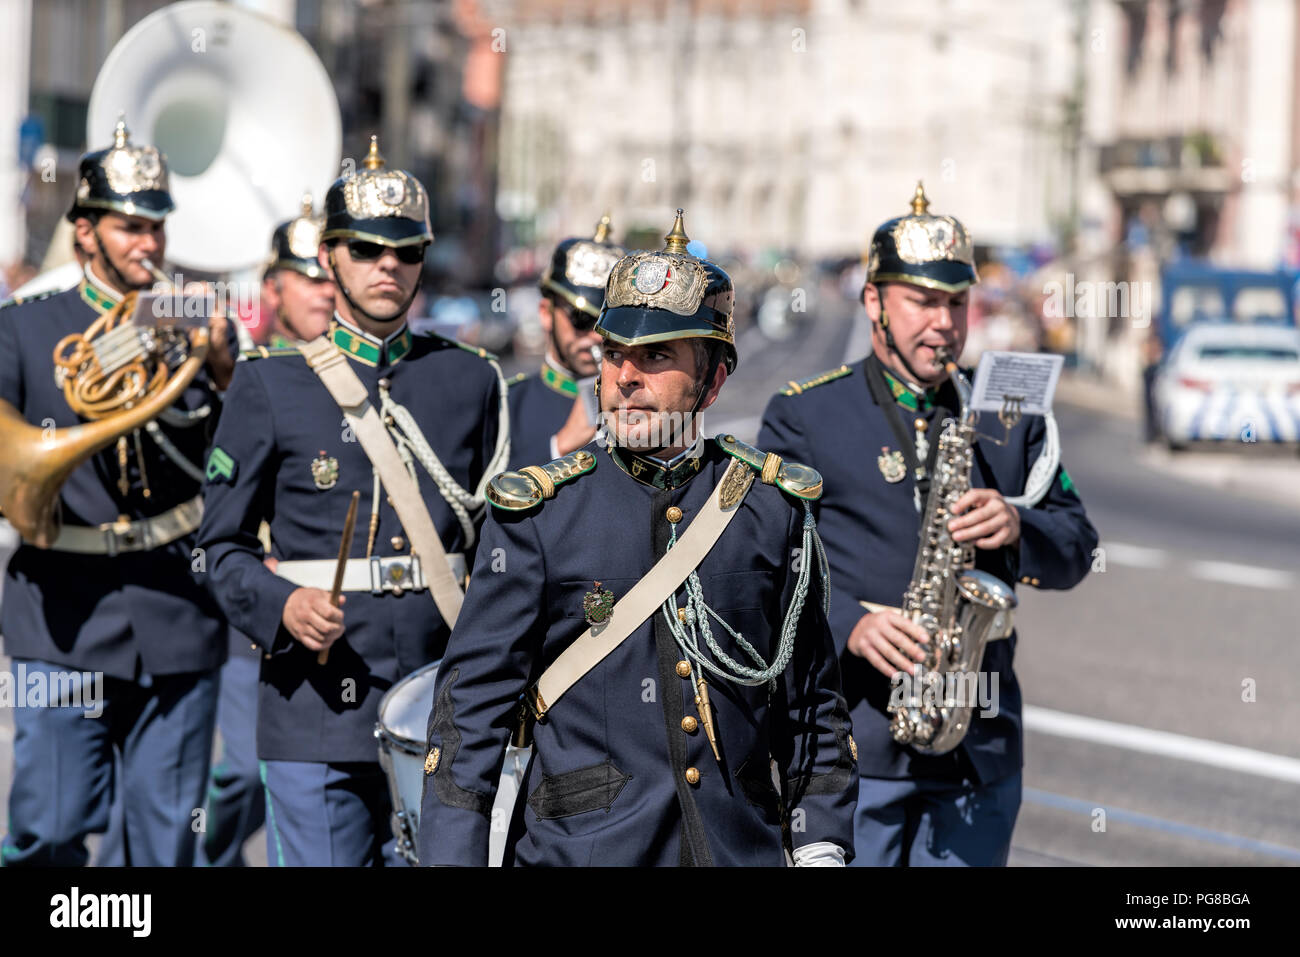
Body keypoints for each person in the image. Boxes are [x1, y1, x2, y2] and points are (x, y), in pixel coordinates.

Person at [419, 211, 856, 867]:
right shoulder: (542, 513)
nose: (625, 377)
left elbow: (811, 711)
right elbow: (467, 720)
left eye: (656, 356)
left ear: (712, 379)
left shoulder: (768, 509)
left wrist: (820, 848)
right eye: (614, 355)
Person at [759, 184, 1098, 867]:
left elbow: (1077, 547)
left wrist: (1016, 526)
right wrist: (849, 620)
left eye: (955, 302)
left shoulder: (1007, 408)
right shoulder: (806, 416)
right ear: (875, 303)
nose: (943, 323)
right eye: (921, 300)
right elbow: (766, 564)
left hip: (980, 751)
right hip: (853, 744)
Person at [197, 136, 509, 866]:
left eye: (404, 249)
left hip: (442, 706)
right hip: (313, 707)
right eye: (366, 249)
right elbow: (217, 548)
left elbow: (501, 549)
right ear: (330, 257)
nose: (387, 265)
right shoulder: (270, 382)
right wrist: (281, 605)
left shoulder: (469, 380)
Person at [0, 118, 233, 866]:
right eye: (130, 226)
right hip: (61, 613)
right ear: (84, 231)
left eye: (157, 227)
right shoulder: (25, 326)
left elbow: (243, 446)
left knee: (163, 842)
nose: (149, 245)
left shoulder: (193, 318)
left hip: (176, 605)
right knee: (54, 824)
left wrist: (228, 370)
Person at [197, 198, 334, 867]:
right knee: (239, 772)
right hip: (247, 601)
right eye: (308, 277)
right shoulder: (238, 365)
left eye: (328, 274)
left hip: (323, 608)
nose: (325, 290)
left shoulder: (356, 374)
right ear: (273, 287)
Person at [506, 215, 624, 468]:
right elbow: (481, 500)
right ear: (546, 313)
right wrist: (559, 448)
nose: (595, 336)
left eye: (608, 324)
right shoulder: (504, 405)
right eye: (580, 318)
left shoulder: (637, 405)